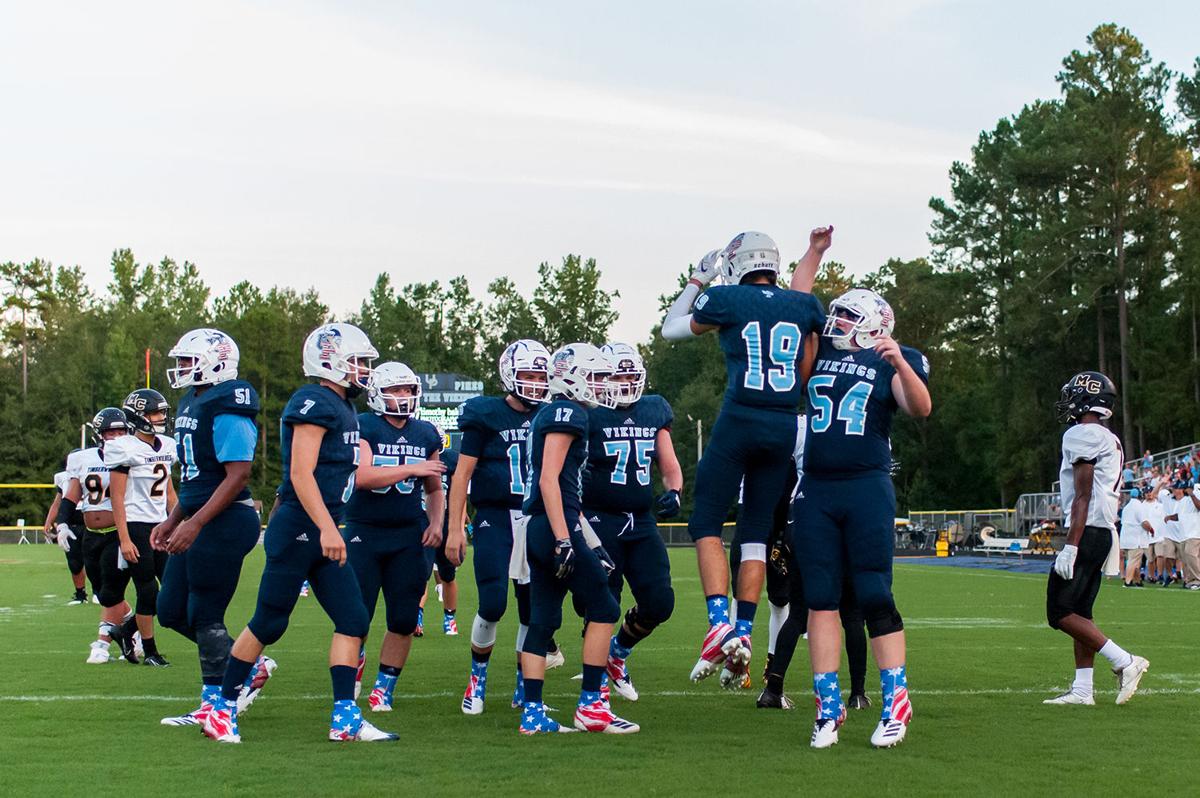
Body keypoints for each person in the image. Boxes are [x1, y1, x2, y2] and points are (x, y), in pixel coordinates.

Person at [203, 322, 397, 744]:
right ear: (331, 361)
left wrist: (329, 526)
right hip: (302, 528)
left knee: (353, 619)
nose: (364, 370)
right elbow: (300, 473)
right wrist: (328, 528)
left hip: (322, 527)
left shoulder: (342, 405)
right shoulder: (314, 401)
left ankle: (344, 716)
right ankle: (221, 709)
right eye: (358, 362)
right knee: (268, 622)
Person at [659, 228, 831, 686]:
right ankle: (745, 633)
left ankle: (720, 624)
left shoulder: (727, 298)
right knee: (755, 533)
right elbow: (807, 356)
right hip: (782, 423)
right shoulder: (802, 306)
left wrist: (697, 280)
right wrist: (814, 253)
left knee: (706, 524)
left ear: (737, 265)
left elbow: (671, 328)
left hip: (740, 419)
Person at [786, 284, 931, 749]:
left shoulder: (892, 357)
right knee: (820, 599)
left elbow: (920, 407)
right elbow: (795, 302)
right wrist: (814, 253)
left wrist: (900, 362)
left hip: (866, 486)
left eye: (848, 315)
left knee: (873, 593)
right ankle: (828, 708)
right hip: (817, 487)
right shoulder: (821, 349)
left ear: (873, 323)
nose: (838, 322)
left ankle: (896, 703)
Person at [153, 329, 276, 727]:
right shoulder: (193, 399)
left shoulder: (229, 402)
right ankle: (248, 661)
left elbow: (238, 475)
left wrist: (195, 523)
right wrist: (173, 519)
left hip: (225, 520)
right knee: (170, 610)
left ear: (217, 362)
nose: (181, 368)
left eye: (188, 361)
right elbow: (195, 478)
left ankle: (215, 702)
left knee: (205, 614)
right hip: (199, 517)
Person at [518, 343, 638, 735]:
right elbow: (548, 480)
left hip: (543, 525)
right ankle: (591, 706)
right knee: (604, 607)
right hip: (554, 525)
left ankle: (532, 715)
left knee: (543, 620)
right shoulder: (568, 412)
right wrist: (565, 539)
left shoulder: (551, 412)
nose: (602, 384)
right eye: (596, 376)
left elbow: (565, 489)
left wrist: (592, 542)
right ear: (573, 377)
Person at [445, 340, 560, 716]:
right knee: (492, 604)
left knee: (532, 610)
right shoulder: (486, 414)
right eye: (528, 375)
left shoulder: (552, 416)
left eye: (540, 376)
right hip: (495, 516)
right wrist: (455, 529)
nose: (535, 383)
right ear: (509, 374)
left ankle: (523, 685)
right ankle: (477, 679)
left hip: (535, 518)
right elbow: (462, 475)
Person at [576, 342, 682, 702]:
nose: (624, 384)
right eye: (617, 377)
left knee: (660, 602)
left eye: (630, 377)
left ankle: (617, 654)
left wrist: (674, 490)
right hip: (598, 518)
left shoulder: (653, 409)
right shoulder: (588, 414)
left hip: (640, 520)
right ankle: (596, 686)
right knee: (600, 603)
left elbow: (668, 463)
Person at [344, 361, 447, 713]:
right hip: (365, 531)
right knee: (357, 616)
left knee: (404, 618)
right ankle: (354, 663)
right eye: (394, 390)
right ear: (377, 393)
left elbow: (434, 487)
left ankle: (383, 689)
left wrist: (436, 523)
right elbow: (363, 476)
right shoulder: (364, 425)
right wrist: (411, 467)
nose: (402, 396)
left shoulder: (426, 433)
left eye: (407, 390)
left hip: (408, 533)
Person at [1042, 372, 1148, 708]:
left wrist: (1071, 545)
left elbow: (1083, 494)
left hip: (1086, 530)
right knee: (1081, 612)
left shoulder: (1082, 433)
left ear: (1086, 399)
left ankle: (1125, 661)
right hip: (1102, 530)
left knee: (1059, 611)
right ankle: (1083, 689)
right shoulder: (1107, 436)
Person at [103, 388, 179, 667]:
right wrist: (124, 539)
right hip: (136, 525)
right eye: (155, 413)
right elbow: (117, 497)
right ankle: (150, 651)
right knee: (147, 591)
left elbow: (169, 492)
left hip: (162, 526)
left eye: (161, 412)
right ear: (138, 416)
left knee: (173, 589)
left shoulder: (167, 445)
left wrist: (179, 524)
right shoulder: (124, 447)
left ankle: (125, 630)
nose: (161, 417)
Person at [60, 409, 136, 663]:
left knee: (112, 590)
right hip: (91, 535)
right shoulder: (82, 459)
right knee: (104, 593)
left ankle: (102, 643)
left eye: (120, 431)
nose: (116, 437)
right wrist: (62, 523)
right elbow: (71, 495)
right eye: (110, 432)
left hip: (118, 532)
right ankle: (132, 630)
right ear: (99, 435)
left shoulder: (133, 457)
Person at [45, 450, 93, 604]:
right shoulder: (63, 478)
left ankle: (100, 591)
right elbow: (58, 502)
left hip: (90, 523)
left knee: (94, 560)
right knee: (74, 562)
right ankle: (80, 593)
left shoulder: (94, 471)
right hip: (71, 524)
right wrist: (49, 521)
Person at [1118, 489, 1148, 587]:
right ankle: (1128, 581)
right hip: (1136, 538)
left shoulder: (1127, 507)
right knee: (1133, 561)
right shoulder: (1139, 506)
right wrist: (1151, 529)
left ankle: (1137, 580)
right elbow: (1144, 522)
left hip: (1126, 538)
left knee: (1134, 561)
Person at [1174, 483, 1200, 589]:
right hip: (1183, 534)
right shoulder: (1183, 501)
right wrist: (1170, 517)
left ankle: (1197, 580)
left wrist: (1192, 494)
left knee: (1191, 555)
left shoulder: (1196, 495)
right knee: (1185, 559)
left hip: (1194, 533)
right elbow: (1180, 515)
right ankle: (1189, 581)